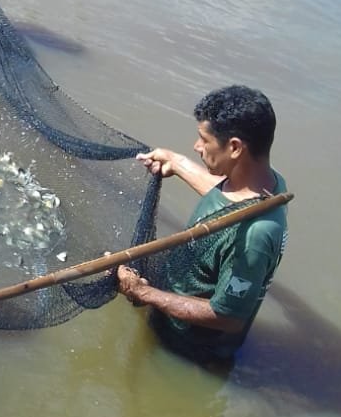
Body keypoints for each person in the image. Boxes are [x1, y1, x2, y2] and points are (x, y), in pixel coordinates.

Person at [117, 85, 288, 361]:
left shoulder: (254, 235)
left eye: (203, 139)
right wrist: (177, 163)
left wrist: (145, 292)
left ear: (234, 148)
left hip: (187, 349)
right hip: (171, 313)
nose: (197, 146)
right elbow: (227, 198)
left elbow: (228, 317)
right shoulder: (264, 183)